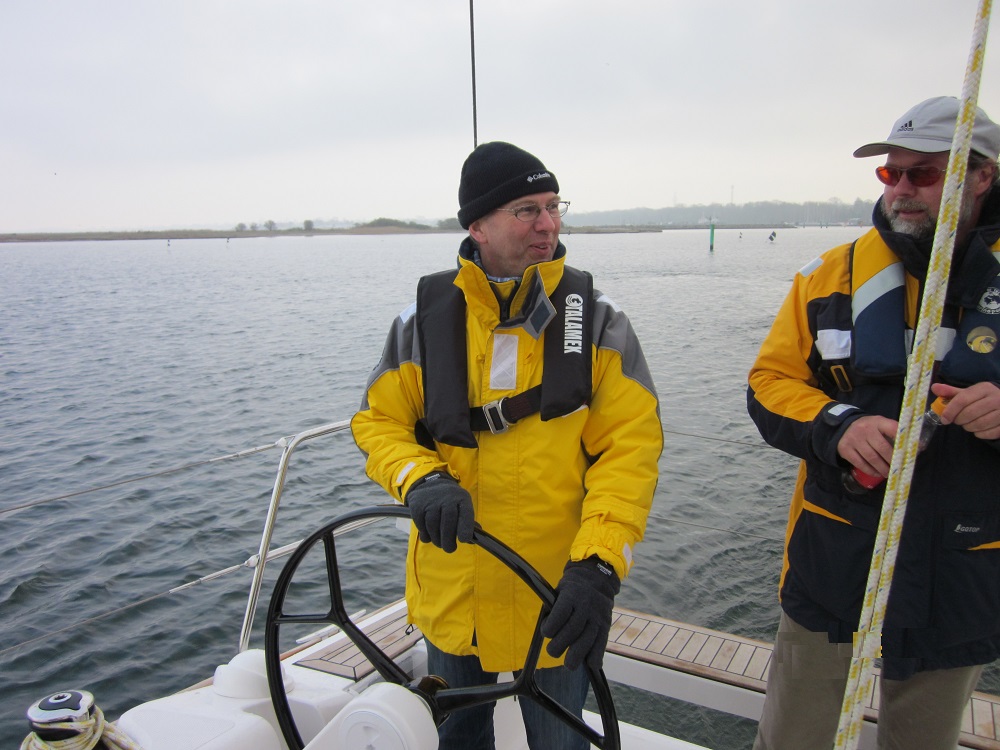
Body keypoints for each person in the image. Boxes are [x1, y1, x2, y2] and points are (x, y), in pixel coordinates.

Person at [351, 141, 662, 749]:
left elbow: (631, 452)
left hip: (558, 600)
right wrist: (421, 478)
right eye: (526, 209)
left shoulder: (598, 324)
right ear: (479, 225)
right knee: (457, 742)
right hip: (451, 598)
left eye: (553, 206)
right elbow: (377, 423)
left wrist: (598, 564)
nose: (549, 224)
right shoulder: (421, 324)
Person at [747, 95, 1000, 750]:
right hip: (834, 564)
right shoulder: (827, 279)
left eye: (924, 173)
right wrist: (837, 425)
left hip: (962, 571)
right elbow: (768, 385)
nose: (903, 189)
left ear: (983, 176)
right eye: (893, 174)